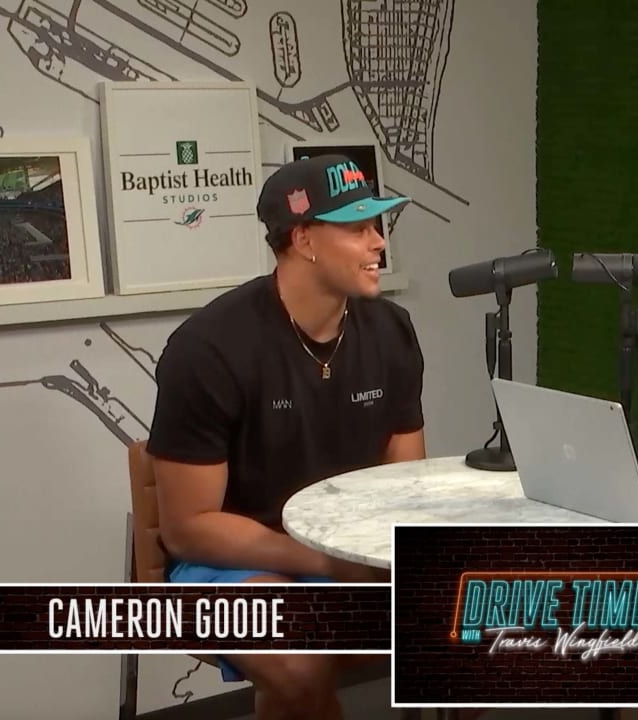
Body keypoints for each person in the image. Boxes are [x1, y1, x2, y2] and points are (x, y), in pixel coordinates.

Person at [147, 153, 426, 719]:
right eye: (357, 228)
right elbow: (188, 528)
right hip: (230, 556)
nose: (378, 244)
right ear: (304, 239)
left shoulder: (391, 331)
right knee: (300, 662)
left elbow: (405, 481)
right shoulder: (209, 348)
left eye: (379, 227)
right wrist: (327, 563)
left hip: (349, 547)